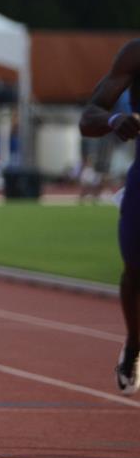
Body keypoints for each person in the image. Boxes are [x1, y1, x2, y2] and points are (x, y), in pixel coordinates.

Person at [79, 41, 140, 394]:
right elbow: (89, 117)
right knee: (135, 270)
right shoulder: (135, 54)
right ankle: (135, 341)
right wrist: (116, 119)